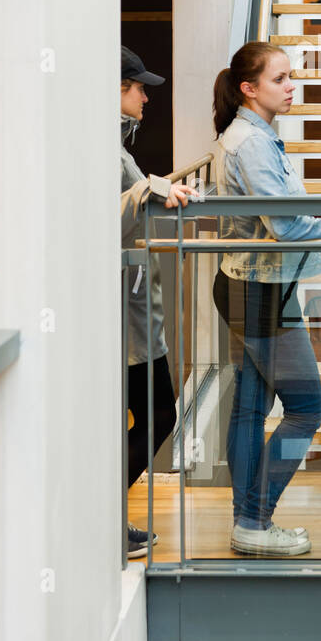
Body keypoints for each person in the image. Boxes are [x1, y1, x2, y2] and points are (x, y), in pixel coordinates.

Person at [211, 42, 321, 557]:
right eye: (280, 79)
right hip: (257, 293)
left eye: (290, 76)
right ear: (249, 89)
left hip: (252, 286)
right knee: (308, 407)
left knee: (251, 409)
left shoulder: (254, 137)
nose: (291, 86)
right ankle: (255, 517)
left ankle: (247, 522)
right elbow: (287, 224)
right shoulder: (251, 143)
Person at [121, 47, 193, 559]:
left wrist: (150, 188)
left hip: (135, 310)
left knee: (150, 416)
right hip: (126, 315)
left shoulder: (115, 144)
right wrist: (148, 190)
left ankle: (106, 518)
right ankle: (102, 516)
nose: (146, 96)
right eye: (137, 87)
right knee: (158, 416)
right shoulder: (101, 146)